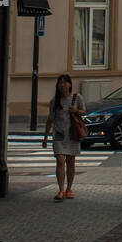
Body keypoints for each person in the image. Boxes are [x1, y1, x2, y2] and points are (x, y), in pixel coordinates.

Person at [43, 73, 86, 201]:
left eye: (64, 82)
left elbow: (84, 111)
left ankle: (69, 188)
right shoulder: (54, 101)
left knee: (71, 161)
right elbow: (50, 119)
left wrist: (76, 111)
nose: (62, 85)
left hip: (72, 133)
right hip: (59, 134)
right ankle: (61, 189)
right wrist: (45, 137)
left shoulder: (77, 97)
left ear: (70, 84)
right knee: (60, 160)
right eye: (60, 83)